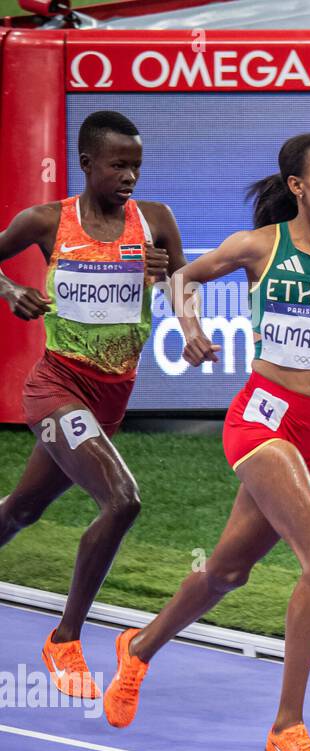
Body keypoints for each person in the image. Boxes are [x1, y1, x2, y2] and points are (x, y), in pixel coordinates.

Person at [102, 133, 310, 751]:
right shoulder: (260, 246)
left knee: (226, 572)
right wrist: (191, 326)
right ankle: (287, 728)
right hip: (262, 419)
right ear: (298, 187)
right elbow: (183, 276)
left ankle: (138, 648)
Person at [0, 110, 184, 700]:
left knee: (23, 510)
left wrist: (178, 295)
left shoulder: (155, 222)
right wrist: (11, 291)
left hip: (110, 397)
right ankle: (65, 637)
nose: (130, 175)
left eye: (137, 165)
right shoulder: (46, 221)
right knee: (123, 500)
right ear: (86, 163)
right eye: (118, 164)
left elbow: (186, 283)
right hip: (56, 386)